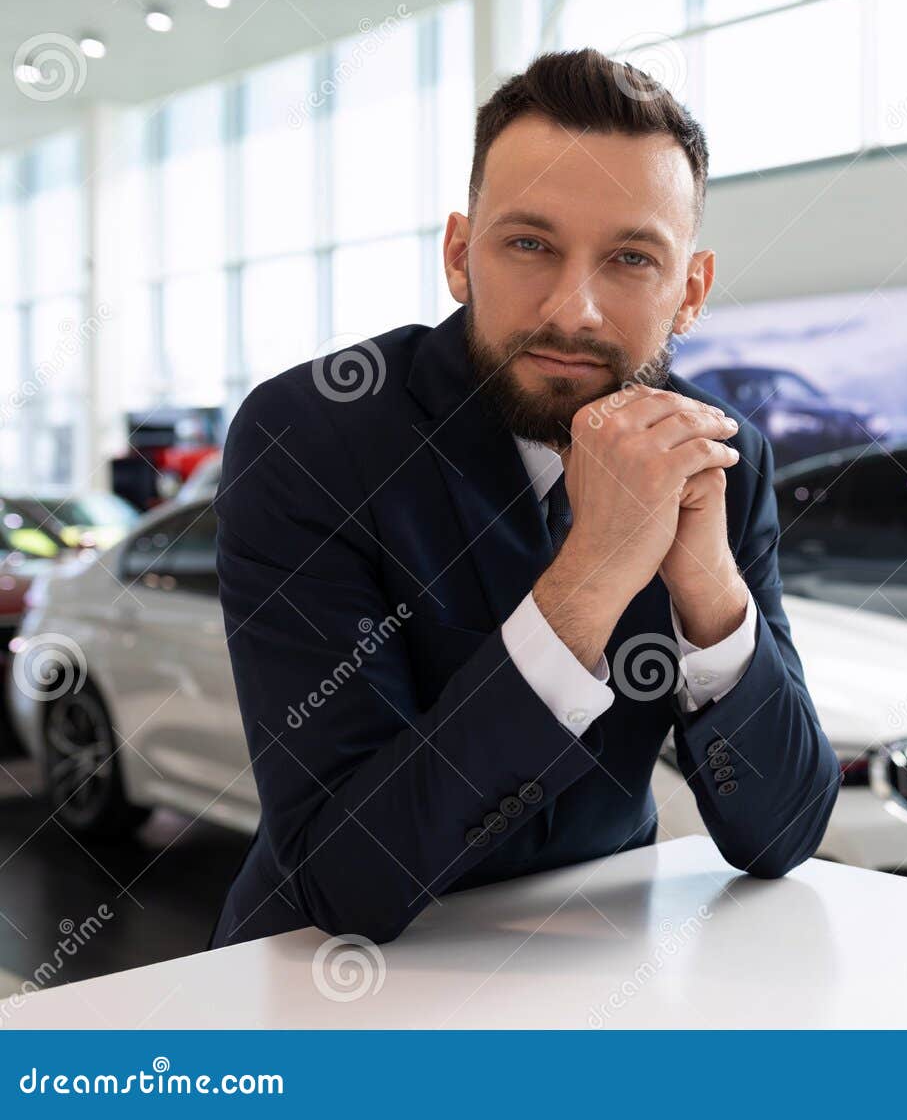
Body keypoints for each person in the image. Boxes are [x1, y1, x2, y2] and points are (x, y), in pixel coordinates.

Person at [208, 49, 839, 947]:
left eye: (631, 257)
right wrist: (591, 577)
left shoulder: (718, 458)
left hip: (600, 972)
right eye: (530, 244)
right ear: (460, 256)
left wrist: (707, 584)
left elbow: (781, 832)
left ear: (690, 291)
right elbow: (346, 876)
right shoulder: (311, 438)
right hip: (324, 986)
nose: (572, 311)